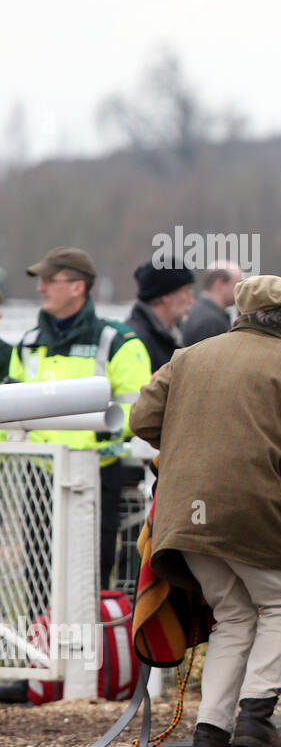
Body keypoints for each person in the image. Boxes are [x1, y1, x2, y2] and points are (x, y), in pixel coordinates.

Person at [131, 276, 281, 747]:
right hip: (248, 512)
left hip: (181, 514)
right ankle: (257, 715)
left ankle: (210, 738)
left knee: (233, 614)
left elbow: (143, 421)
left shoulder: (190, 355)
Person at [8, 248, 152, 590]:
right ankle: (41, 640)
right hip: (41, 477)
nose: (41, 288)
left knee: (89, 581)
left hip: (96, 477)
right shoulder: (28, 343)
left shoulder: (116, 341)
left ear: (78, 287)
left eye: (48, 280)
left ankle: (87, 644)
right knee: (39, 580)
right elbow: (10, 414)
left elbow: (138, 409)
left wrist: (96, 439)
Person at [125, 260, 195, 372]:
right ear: (166, 295)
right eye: (186, 292)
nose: (191, 300)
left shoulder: (171, 335)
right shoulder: (137, 339)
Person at [182, 261, 242, 345]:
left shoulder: (204, 313)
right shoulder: (210, 322)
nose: (240, 291)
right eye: (237, 285)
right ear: (220, 283)